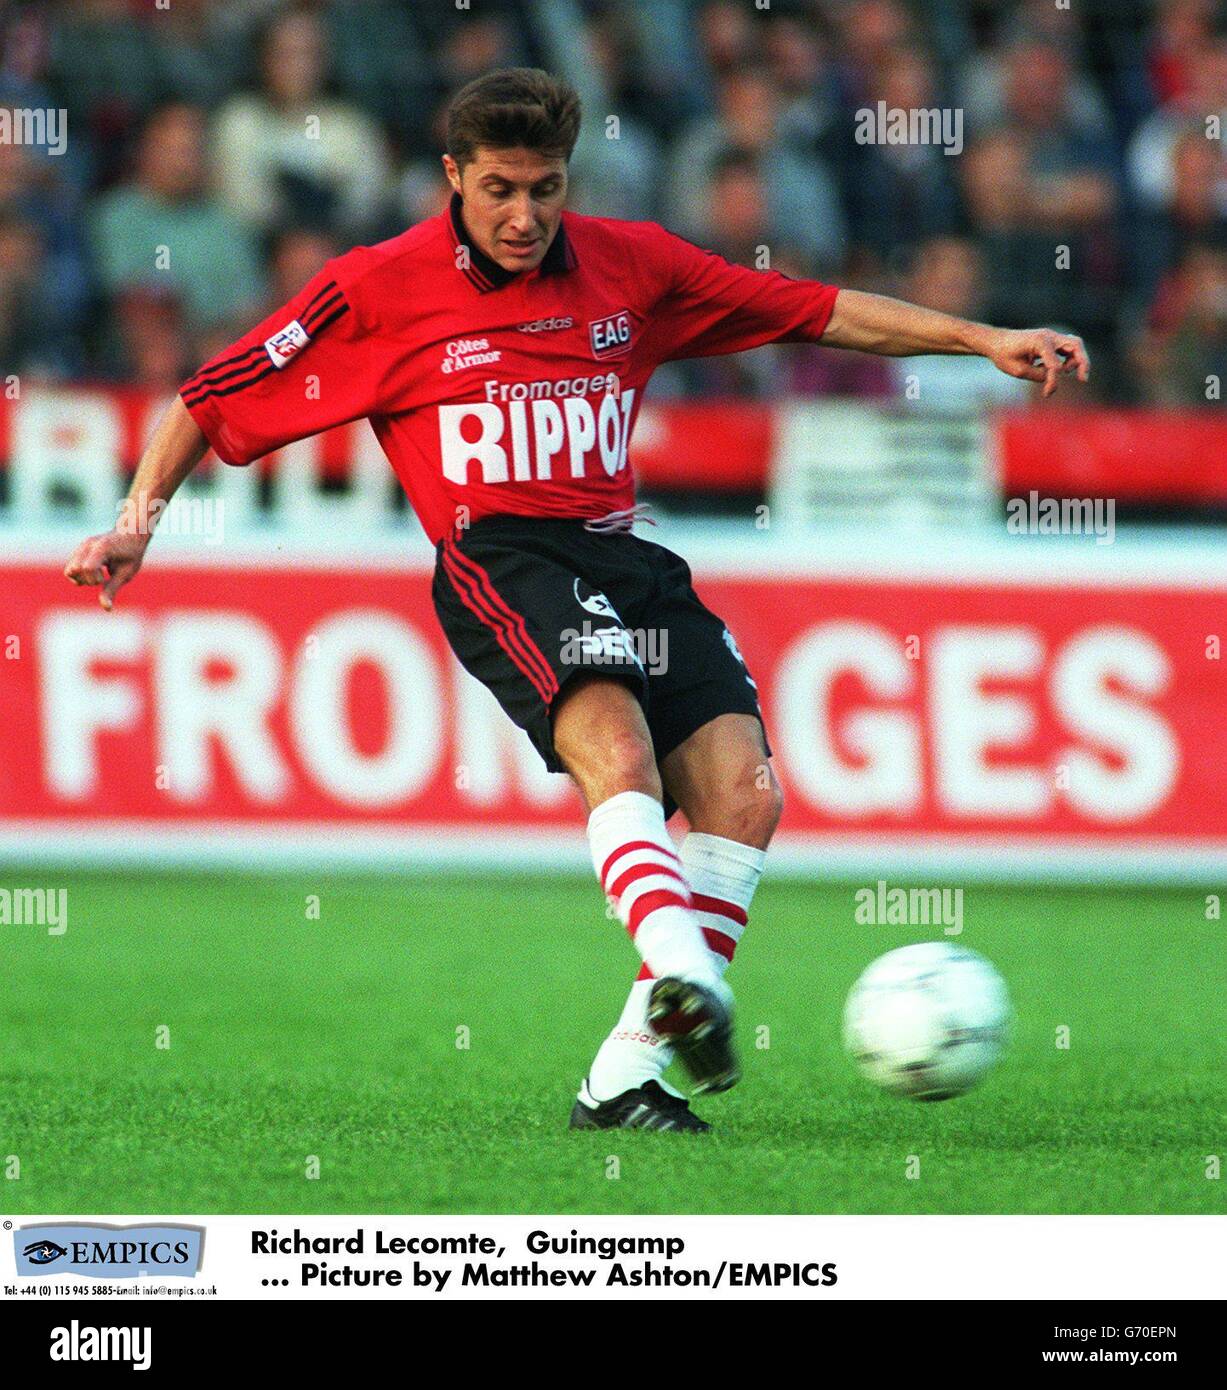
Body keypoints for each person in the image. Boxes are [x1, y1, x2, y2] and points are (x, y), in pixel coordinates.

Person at [64, 68, 1089, 1133]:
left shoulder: (633, 263)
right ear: (453, 176)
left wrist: (980, 340)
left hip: (621, 554)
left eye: (545, 188)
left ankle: (627, 1078)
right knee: (622, 752)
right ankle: (694, 980)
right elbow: (209, 395)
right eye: (500, 189)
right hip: (497, 556)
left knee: (745, 794)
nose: (524, 215)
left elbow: (816, 312)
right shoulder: (378, 286)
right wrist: (138, 520)